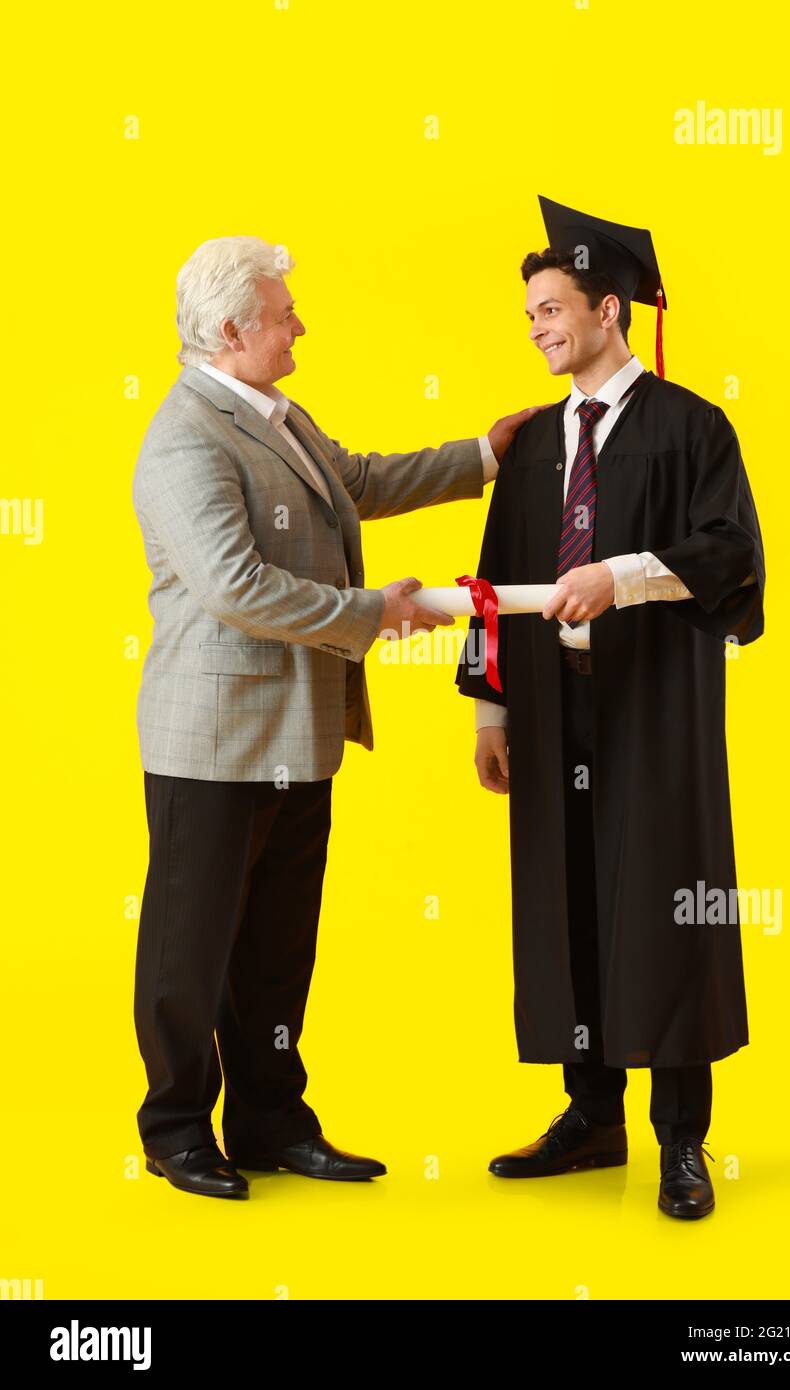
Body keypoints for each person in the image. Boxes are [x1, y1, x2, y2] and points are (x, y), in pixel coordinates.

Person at [132, 234, 538, 1199]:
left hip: (297, 735)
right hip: (215, 741)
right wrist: (372, 614)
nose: (299, 327)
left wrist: (483, 456)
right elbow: (236, 586)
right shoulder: (185, 436)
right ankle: (177, 1128)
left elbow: (355, 481)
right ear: (232, 329)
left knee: (277, 943)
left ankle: (270, 1119)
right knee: (192, 946)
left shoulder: (276, 415)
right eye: (283, 315)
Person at [456, 196, 765, 1219]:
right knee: (569, 901)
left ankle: (682, 1140)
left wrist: (624, 575)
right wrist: (489, 714)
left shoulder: (689, 428)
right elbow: (496, 579)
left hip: (652, 710)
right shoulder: (537, 444)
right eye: (530, 313)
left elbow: (729, 554)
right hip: (551, 710)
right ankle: (590, 1117)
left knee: (665, 907)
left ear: (608, 308)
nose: (538, 325)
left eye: (551, 307)